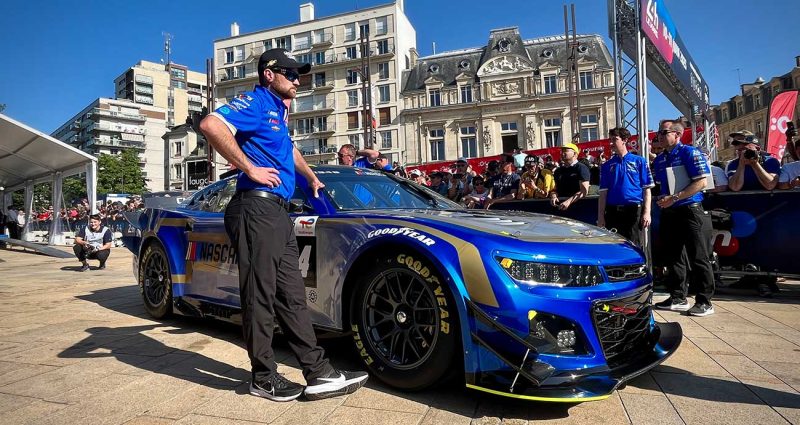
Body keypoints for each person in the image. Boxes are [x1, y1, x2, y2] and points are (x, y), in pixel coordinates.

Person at [200, 48, 367, 402]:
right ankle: (263, 377)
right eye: (290, 74)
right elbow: (210, 125)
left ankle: (318, 372)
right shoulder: (257, 102)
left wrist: (310, 179)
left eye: (299, 74)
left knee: (292, 294)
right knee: (260, 294)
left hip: (276, 213)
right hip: (254, 208)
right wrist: (249, 168)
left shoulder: (277, 112)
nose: (297, 80)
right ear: (269, 75)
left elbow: (287, 151)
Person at [652, 122, 716, 317]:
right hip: (670, 212)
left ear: (677, 134)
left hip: (690, 210)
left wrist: (675, 197)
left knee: (699, 256)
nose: (659, 136)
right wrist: (660, 198)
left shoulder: (690, 152)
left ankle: (705, 301)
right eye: (658, 133)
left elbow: (701, 182)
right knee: (673, 256)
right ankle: (678, 297)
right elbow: (660, 186)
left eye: (664, 132)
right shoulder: (660, 159)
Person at [597, 128, 653, 246]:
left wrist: (647, 212)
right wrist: (601, 217)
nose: (611, 143)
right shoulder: (607, 165)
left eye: (615, 139)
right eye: (610, 140)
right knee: (614, 245)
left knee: (633, 244)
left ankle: (636, 265)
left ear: (625, 140)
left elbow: (646, 189)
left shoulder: (639, 161)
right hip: (612, 210)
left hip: (633, 209)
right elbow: (603, 194)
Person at [550, 143, 590, 210]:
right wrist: (553, 196)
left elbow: (584, 191)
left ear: (574, 154)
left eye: (565, 150)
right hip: (560, 207)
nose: (562, 153)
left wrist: (568, 201)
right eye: (562, 151)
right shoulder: (558, 171)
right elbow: (555, 189)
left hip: (579, 208)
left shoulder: (581, 168)